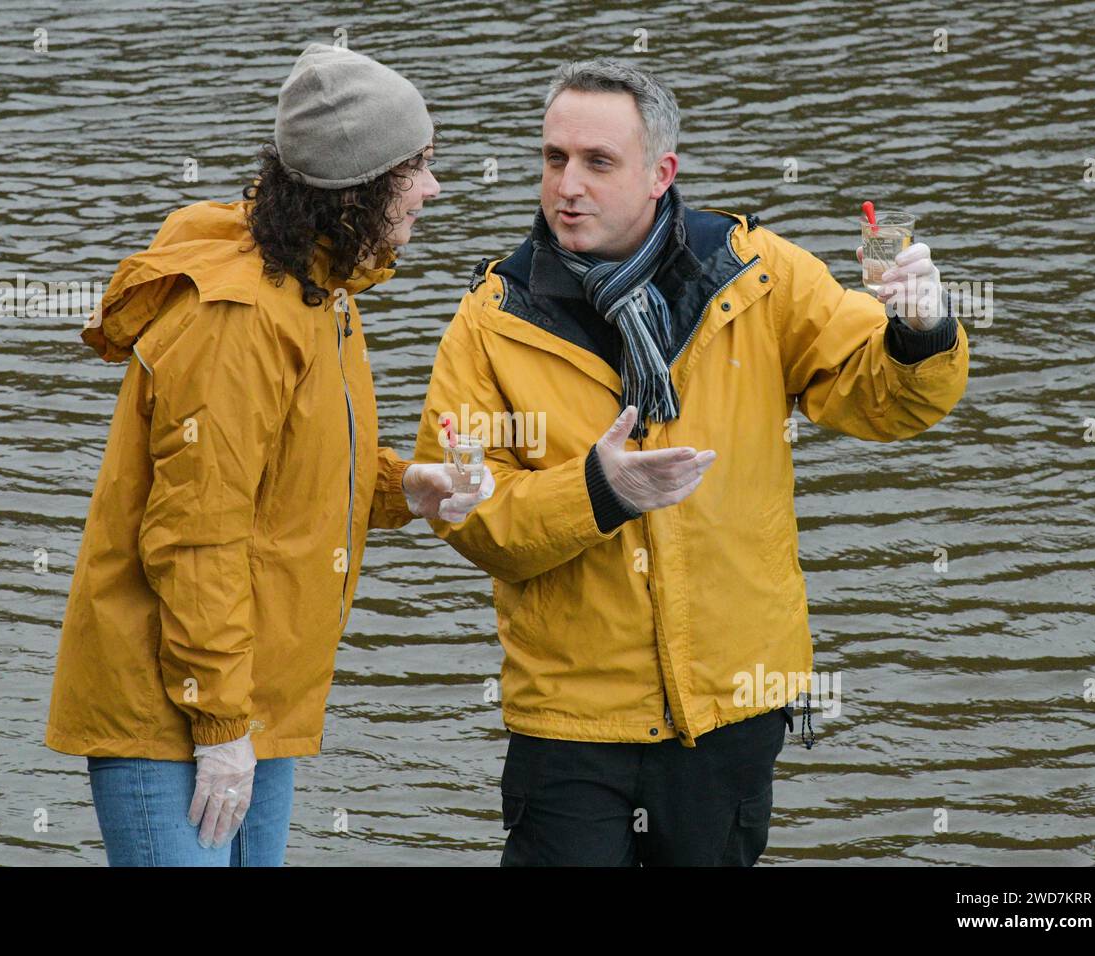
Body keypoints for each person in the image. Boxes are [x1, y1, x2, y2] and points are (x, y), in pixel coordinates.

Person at [412, 58, 968, 866]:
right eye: (553, 158)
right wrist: (598, 493)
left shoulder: (756, 275)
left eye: (598, 163)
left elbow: (889, 401)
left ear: (660, 173)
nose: (568, 185)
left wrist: (921, 330)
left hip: (731, 707)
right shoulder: (492, 317)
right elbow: (469, 516)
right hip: (571, 722)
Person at [44, 43, 493, 866]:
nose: (434, 188)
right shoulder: (241, 320)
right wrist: (220, 731)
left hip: (251, 697)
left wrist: (408, 488)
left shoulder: (320, 289)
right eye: (418, 167)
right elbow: (195, 540)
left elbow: (299, 474)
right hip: (171, 710)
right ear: (358, 189)